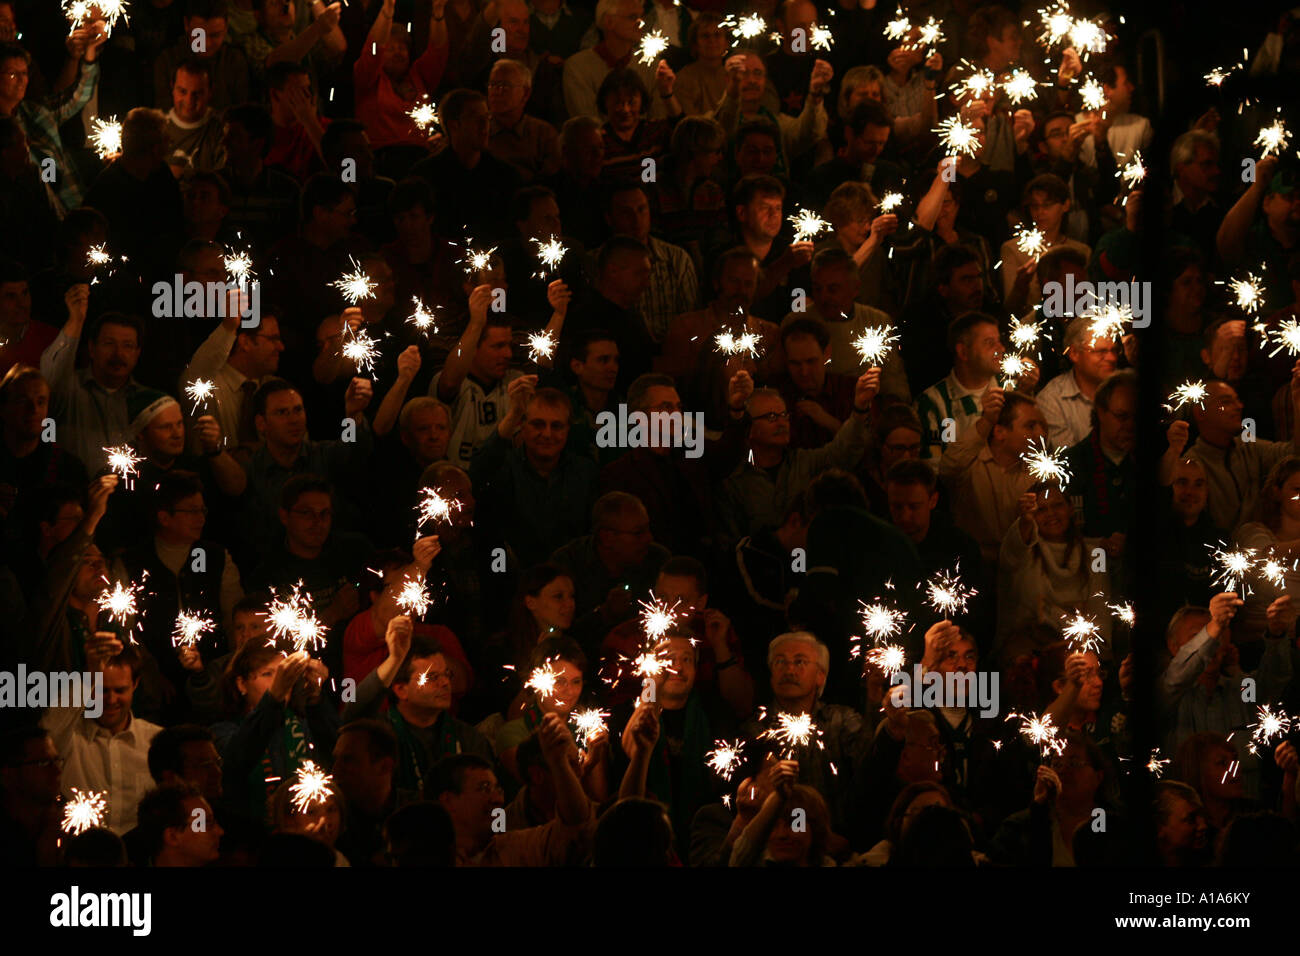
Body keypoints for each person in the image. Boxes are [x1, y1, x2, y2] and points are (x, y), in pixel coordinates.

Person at [42, 641, 162, 835]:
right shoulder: (70, 736)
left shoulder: (156, 741)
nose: (111, 700)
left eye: (120, 690)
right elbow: (46, 733)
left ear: (135, 684)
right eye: (102, 690)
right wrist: (90, 675)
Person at [1036, 315, 1120, 450]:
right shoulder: (1052, 400)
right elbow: (1071, 458)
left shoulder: (1128, 389)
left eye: (1114, 350)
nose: (1112, 358)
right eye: (1101, 351)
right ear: (1074, 353)